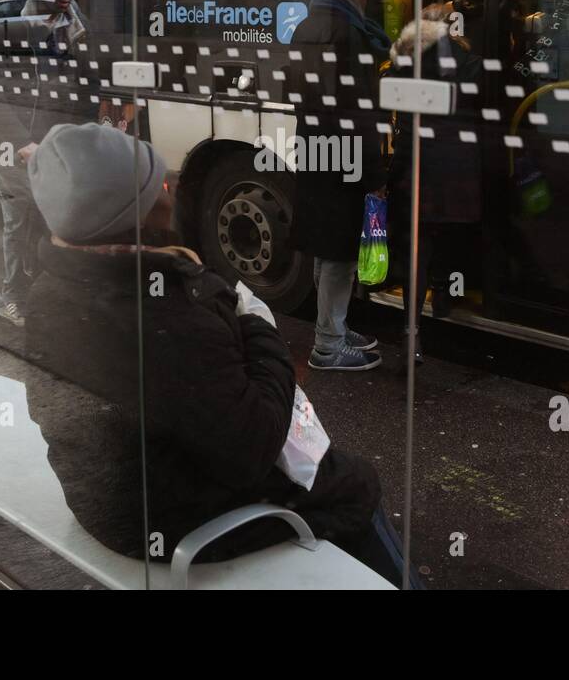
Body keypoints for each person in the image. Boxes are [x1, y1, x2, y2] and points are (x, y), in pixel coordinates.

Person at [21, 122, 408, 584]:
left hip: (101, 501)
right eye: (152, 186)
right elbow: (253, 446)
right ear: (134, 212)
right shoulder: (164, 312)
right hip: (165, 521)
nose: (167, 187)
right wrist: (259, 327)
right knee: (355, 483)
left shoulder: (52, 288)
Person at [0, 0, 98, 327]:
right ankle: (10, 296)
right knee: (22, 207)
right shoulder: (7, 25)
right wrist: (22, 142)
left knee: (50, 209)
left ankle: (41, 288)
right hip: (1, 130)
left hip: (43, 132)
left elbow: (86, 86)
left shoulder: (75, 25)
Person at [287, 0, 390, 371]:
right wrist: (374, 175)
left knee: (324, 247)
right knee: (340, 255)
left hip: (314, 147)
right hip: (346, 154)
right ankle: (328, 346)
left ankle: (334, 325)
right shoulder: (351, 35)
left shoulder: (304, 28)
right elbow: (359, 114)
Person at [386, 5, 484, 360]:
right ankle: (444, 297)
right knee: (447, 238)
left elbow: (407, 133)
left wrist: (392, 176)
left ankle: (412, 333)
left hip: (422, 172)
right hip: (460, 172)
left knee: (418, 252)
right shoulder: (472, 64)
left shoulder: (411, 70)